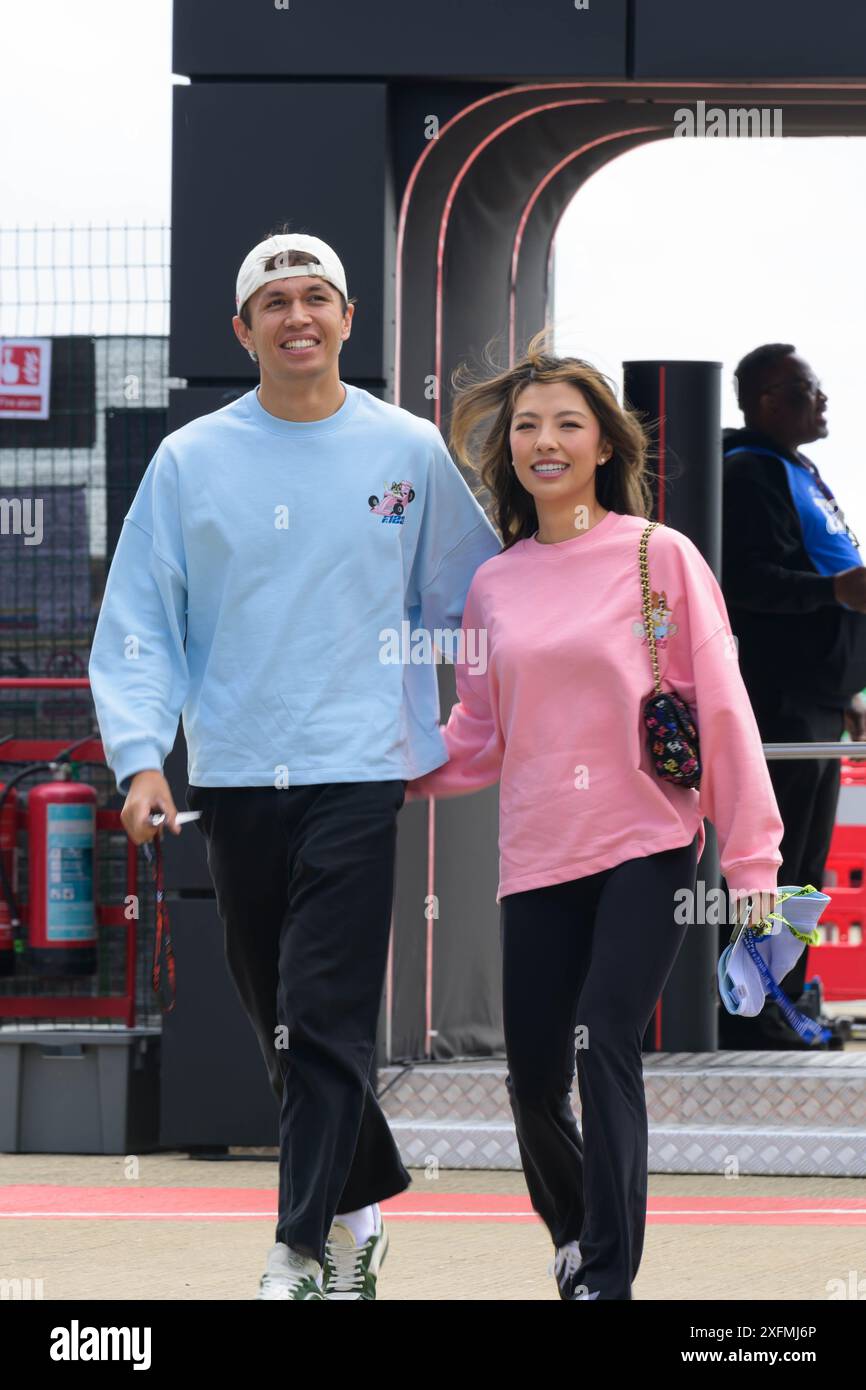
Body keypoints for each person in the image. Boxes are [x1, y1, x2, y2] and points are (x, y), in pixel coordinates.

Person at [87, 228, 501, 1299]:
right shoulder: (191, 460)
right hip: (233, 777)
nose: (297, 316)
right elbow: (141, 622)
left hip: (361, 772)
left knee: (321, 1013)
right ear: (243, 330)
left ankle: (296, 1250)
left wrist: (493, 716)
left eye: (316, 297)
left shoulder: (405, 450)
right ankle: (359, 1217)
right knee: (281, 1015)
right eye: (274, 303)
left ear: (347, 319)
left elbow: (476, 602)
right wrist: (141, 761)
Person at [405, 332, 784, 1300]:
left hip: (644, 841)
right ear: (510, 449)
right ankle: (576, 1231)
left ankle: (605, 1276)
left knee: (601, 1037)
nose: (544, 439)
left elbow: (720, 706)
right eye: (526, 424)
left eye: (567, 423)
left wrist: (751, 868)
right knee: (531, 1076)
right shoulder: (494, 583)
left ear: (602, 446)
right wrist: (386, 770)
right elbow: (478, 734)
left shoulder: (658, 559)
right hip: (537, 852)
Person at [720, 345, 866, 1049]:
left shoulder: (799, 470)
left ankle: (791, 994)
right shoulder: (746, 473)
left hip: (821, 700)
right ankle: (749, 1007)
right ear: (768, 399)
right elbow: (743, 581)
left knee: (806, 866)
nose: (825, 403)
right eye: (811, 391)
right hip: (775, 702)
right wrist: (832, 592)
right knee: (770, 863)